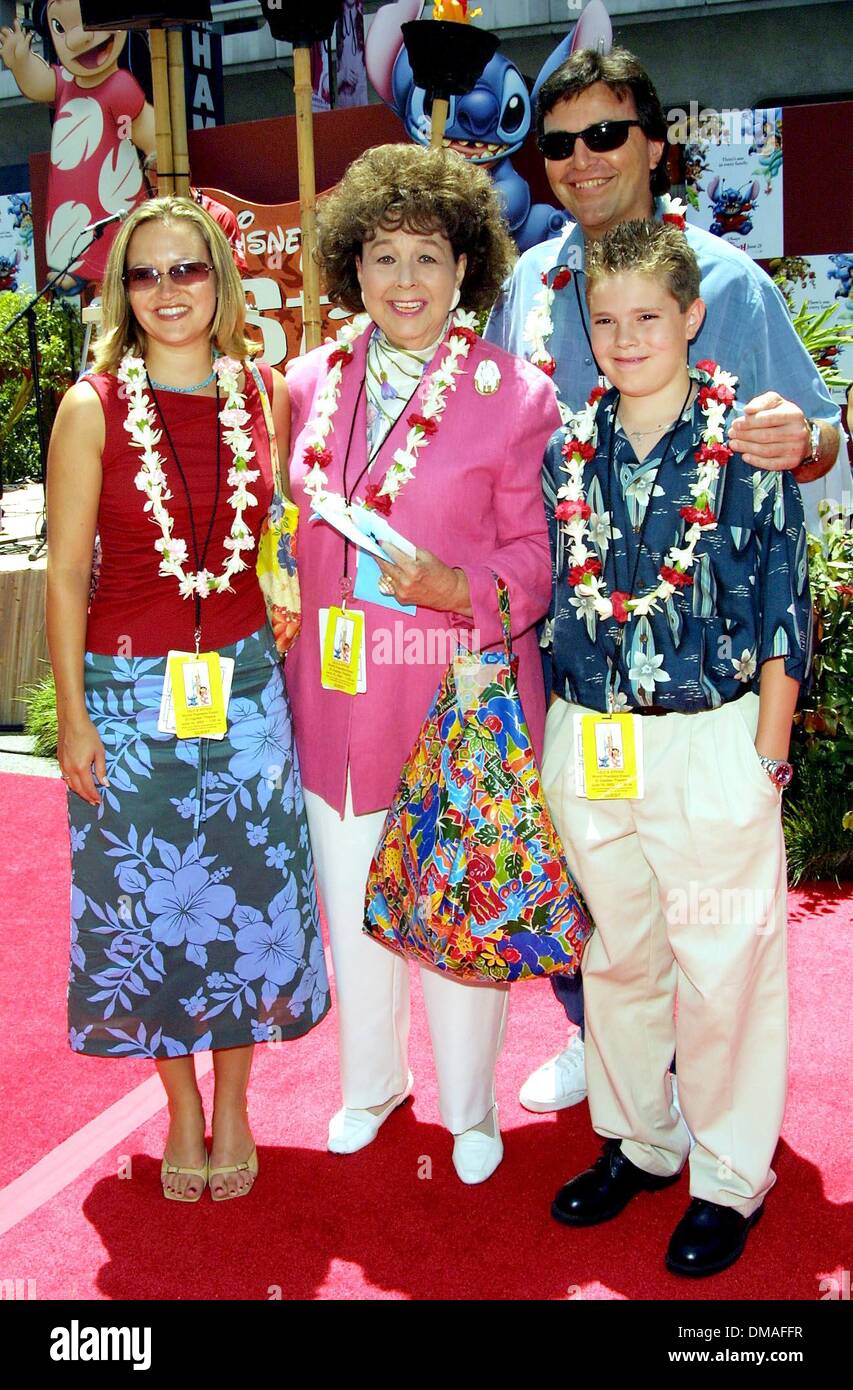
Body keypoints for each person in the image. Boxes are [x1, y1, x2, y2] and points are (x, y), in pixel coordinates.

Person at [485, 46, 846, 1113]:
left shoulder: (723, 282)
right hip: (568, 659)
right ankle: (608, 1052)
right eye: (558, 142)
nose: (582, 161)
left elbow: (816, 438)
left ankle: (711, 1107)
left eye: (605, 134)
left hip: (697, 676)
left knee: (706, 912)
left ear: (652, 142)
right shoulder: (527, 282)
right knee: (592, 880)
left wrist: (806, 438)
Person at [285, 143, 562, 1184]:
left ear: (467, 271)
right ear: (350, 267)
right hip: (340, 690)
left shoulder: (514, 393)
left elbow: (537, 561)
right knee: (352, 895)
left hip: (460, 687)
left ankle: (470, 1105)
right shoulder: (304, 385)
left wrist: (460, 590)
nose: (405, 282)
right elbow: (278, 533)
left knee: (458, 897)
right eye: (384, 257)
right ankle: (371, 1083)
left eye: (429, 258)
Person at [539, 218, 812, 1275]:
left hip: (711, 737)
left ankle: (729, 1175)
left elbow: (787, 601)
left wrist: (767, 756)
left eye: (647, 316)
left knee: (724, 962)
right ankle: (641, 1139)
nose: (624, 337)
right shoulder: (567, 446)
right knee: (619, 957)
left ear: (691, 318)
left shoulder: (745, 439)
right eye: (604, 320)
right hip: (594, 738)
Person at [47, 195, 328, 1203]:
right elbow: (65, 572)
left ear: (222, 280)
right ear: (125, 292)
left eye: (187, 271)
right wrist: (74, 715)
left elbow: (271, 534)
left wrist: (282, 592)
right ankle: (178, 1107)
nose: (168, 292)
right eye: (146, 274)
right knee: (147, 909)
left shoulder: (263, 392)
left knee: (248, 899)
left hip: (244, 689)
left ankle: (240, 1102)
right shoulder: (90, 406)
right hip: (127, 695)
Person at [142, 153, 248, 273]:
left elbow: (236, 270)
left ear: (187, 177)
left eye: (168, 187)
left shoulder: (219, 215)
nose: (162, 196)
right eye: (156, 190)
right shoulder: (149, 221)